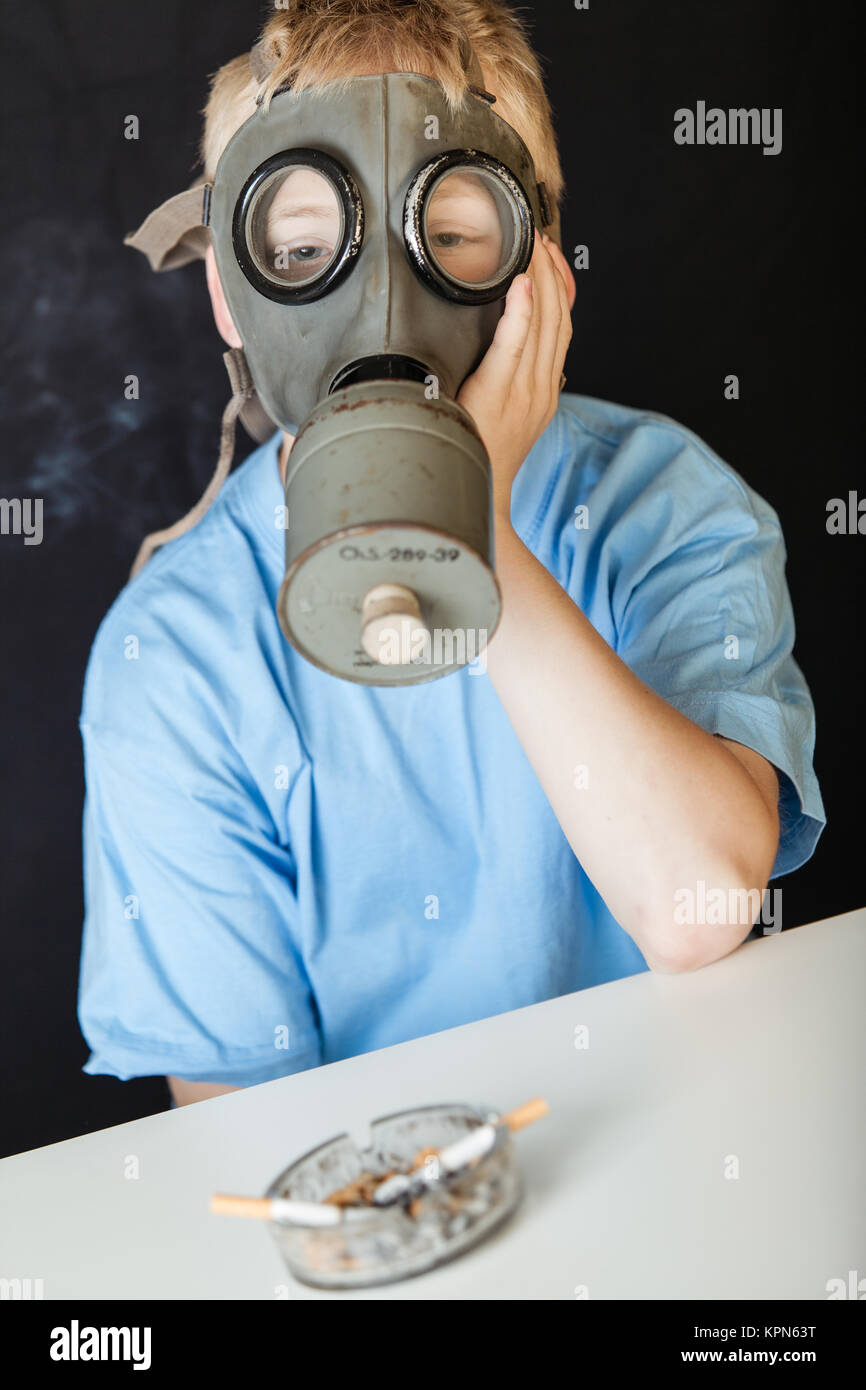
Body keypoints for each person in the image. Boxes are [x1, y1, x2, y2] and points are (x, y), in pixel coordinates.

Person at [77, 0, 825, 1108]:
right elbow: (236, 1126)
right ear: (229, 296)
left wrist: (481, 535)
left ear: (543, 279)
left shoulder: (663, 506)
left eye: (452, 234)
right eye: (297, 249)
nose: (377, 299)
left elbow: (699, 908)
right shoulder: (176, 655)